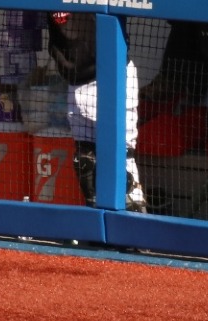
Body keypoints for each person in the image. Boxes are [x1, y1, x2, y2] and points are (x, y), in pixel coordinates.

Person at [46, 11, 146, 211]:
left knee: (121, 160)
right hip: (75, 81)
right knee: (85, 161)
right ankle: (101, 234)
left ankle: (136, 232)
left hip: (111, 77)